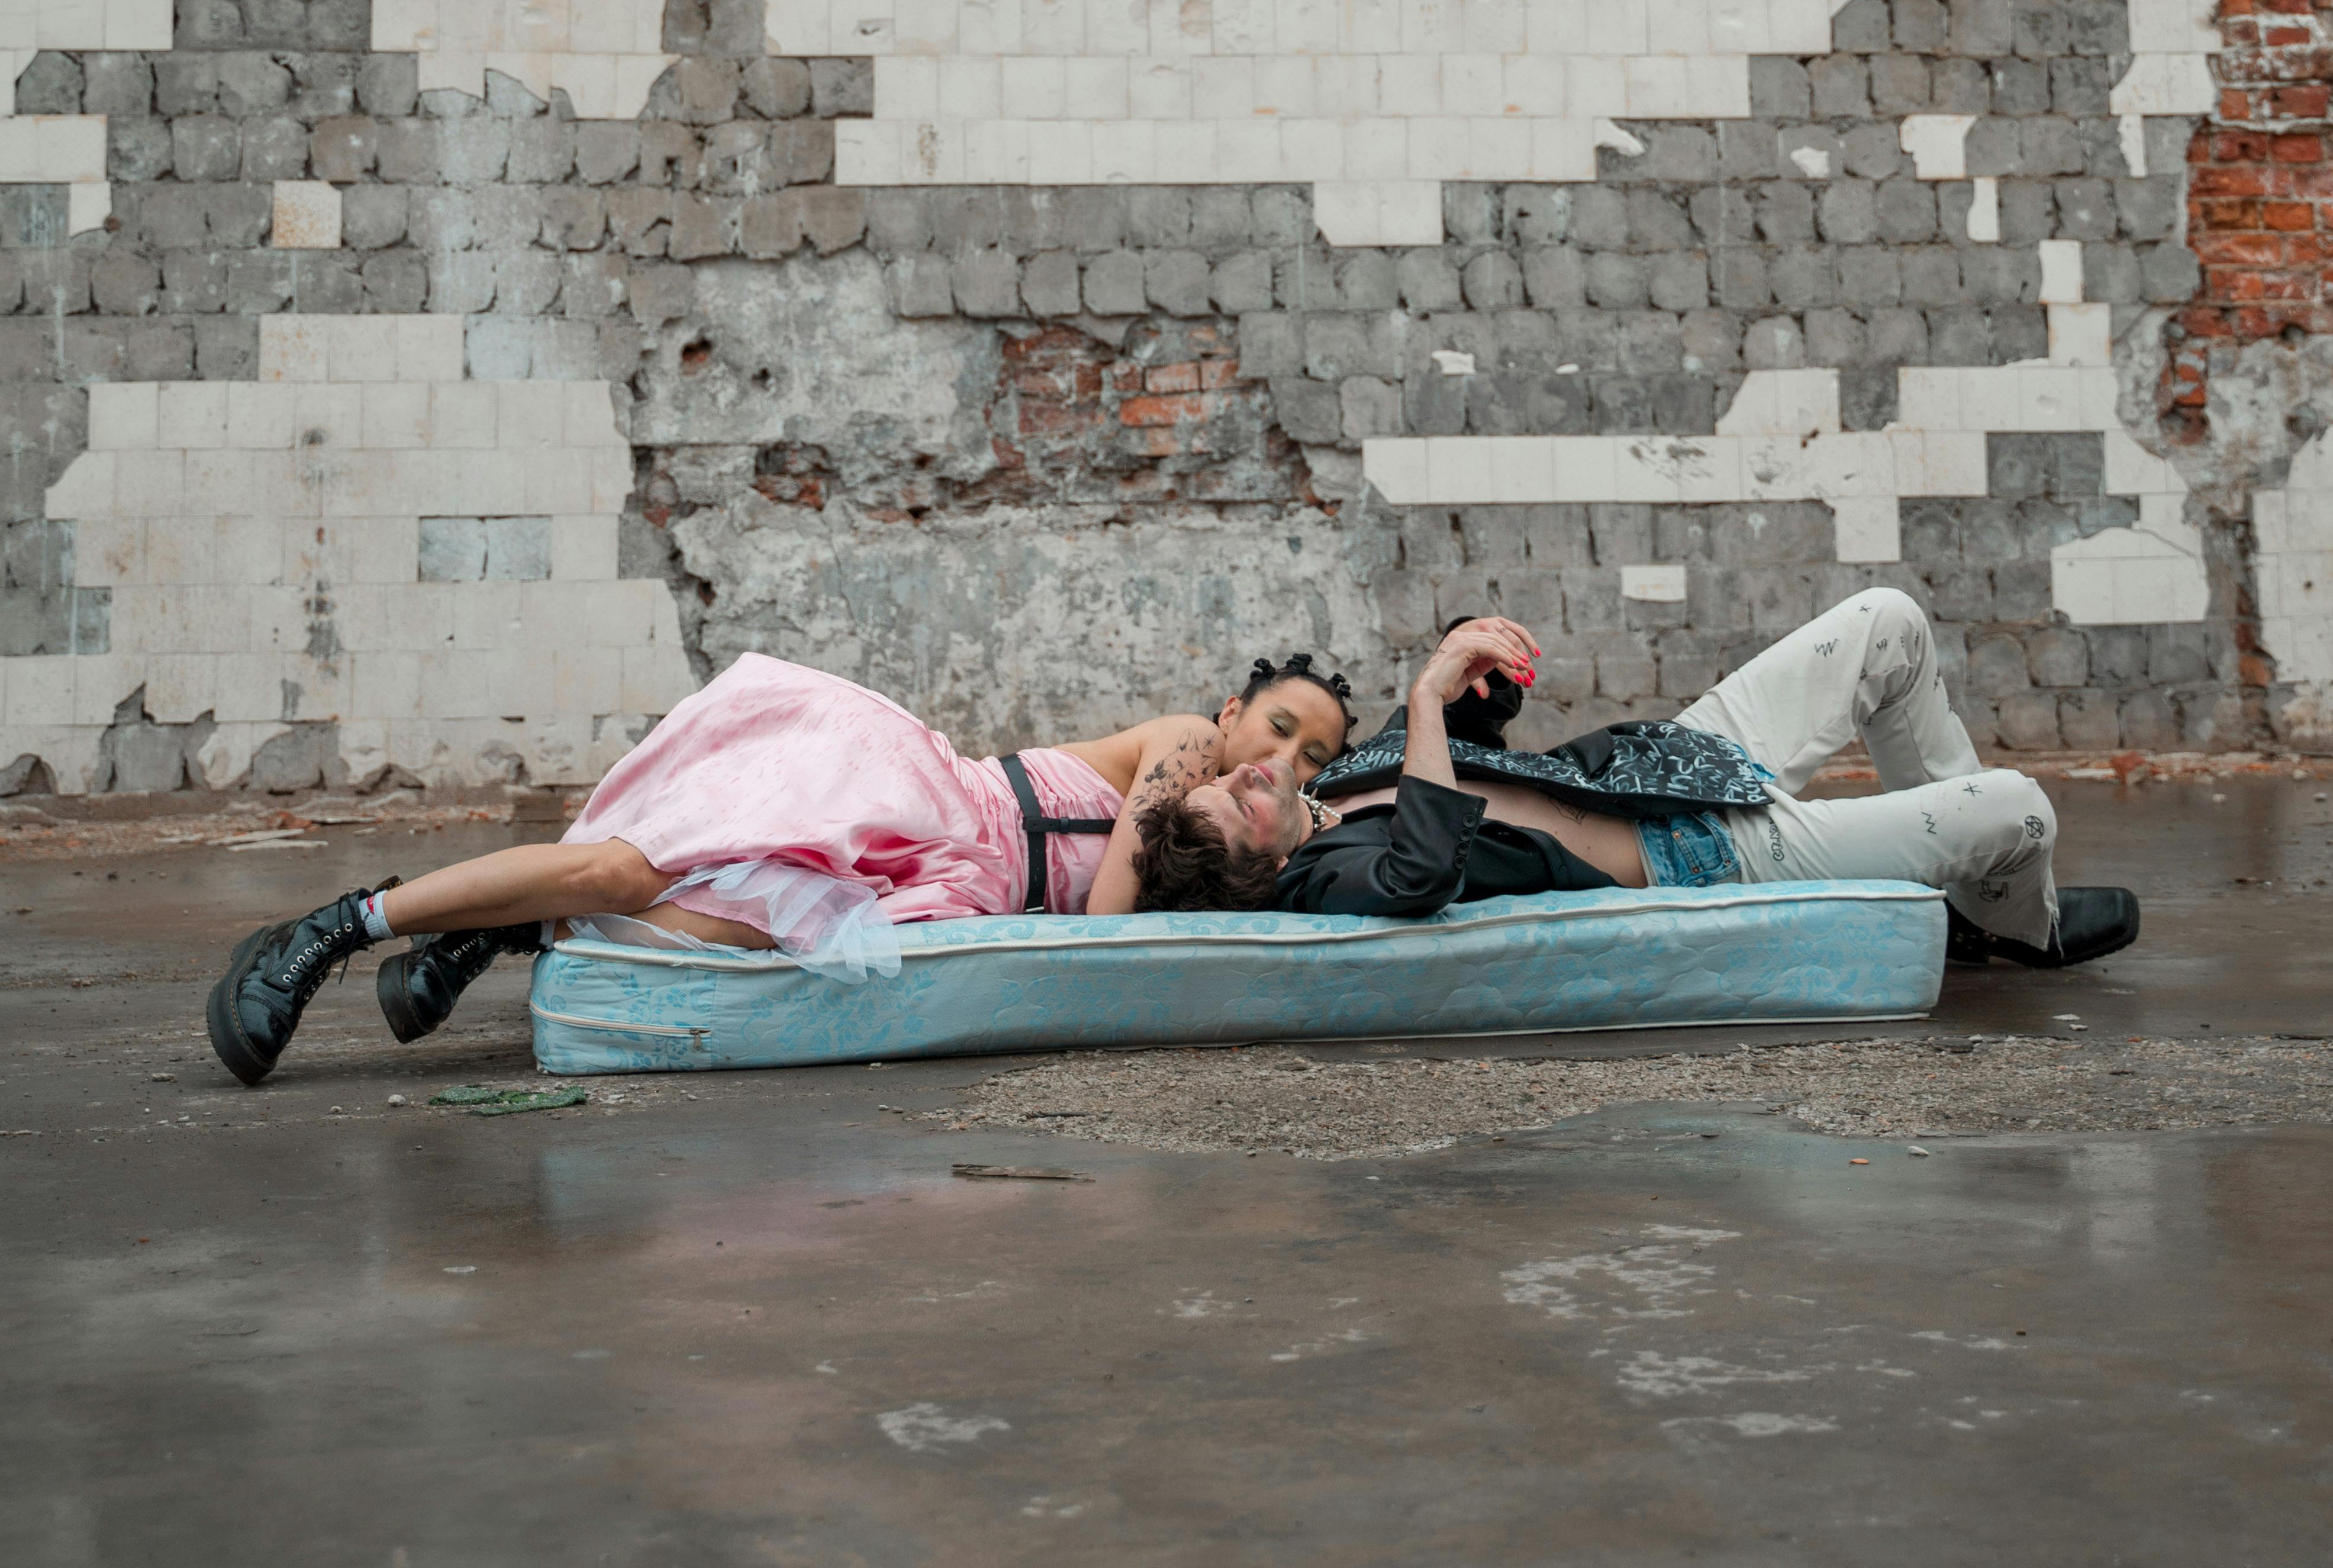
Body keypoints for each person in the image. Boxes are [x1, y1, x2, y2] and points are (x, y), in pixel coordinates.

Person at [203, 646, 1351, 1087]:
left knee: (677, 914)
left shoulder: (1230, 840)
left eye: (1310, 759)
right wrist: (1280, 829)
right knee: (624, 867)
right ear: (1231, 707)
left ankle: (496, 927)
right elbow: (1105, 922)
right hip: (922, 803)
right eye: (1278, 725)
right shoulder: (1185, 745)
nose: (1280, 758)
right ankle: (330, 929)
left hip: (927, 892)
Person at [1133, 592, 2142, 972]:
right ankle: (2022, 927)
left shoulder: (1333, 784)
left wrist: (1469, 674)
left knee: (1887, 623)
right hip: (1708, 851)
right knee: (2019, 806)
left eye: (1230, 782)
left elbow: (1459, 740)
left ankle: (1970, 912)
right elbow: (1421, 870)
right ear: (1253, 871)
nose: (1254, 776)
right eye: (1239, 803)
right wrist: (1429, 703)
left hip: (1665, 761)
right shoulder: (1327, 880)